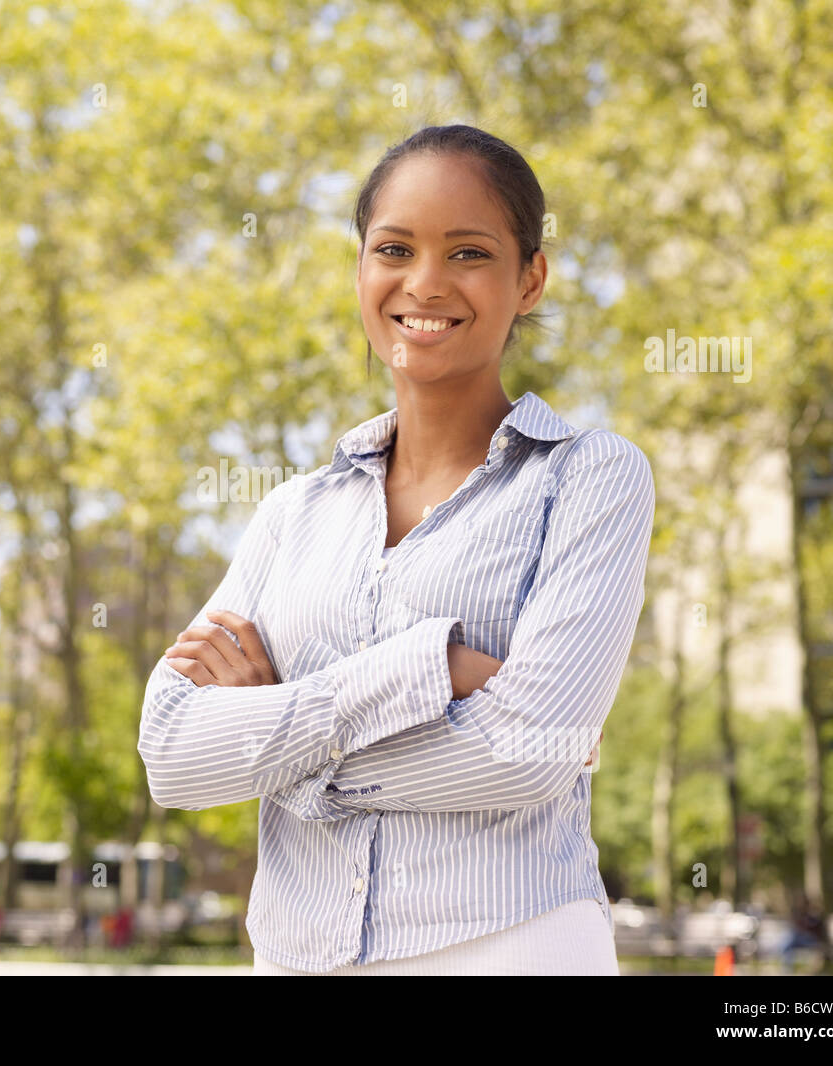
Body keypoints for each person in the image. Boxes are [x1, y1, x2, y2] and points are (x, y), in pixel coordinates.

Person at [138, 124, 653, 975]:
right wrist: (432, 666)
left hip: (508, 949)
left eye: (469, 253)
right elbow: (173, 755)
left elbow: (531, 751)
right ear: (361, 270)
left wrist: (285, 749)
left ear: (531, 278)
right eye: (394, 248)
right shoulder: (290, 515)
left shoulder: (589, 478)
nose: (425, 283)